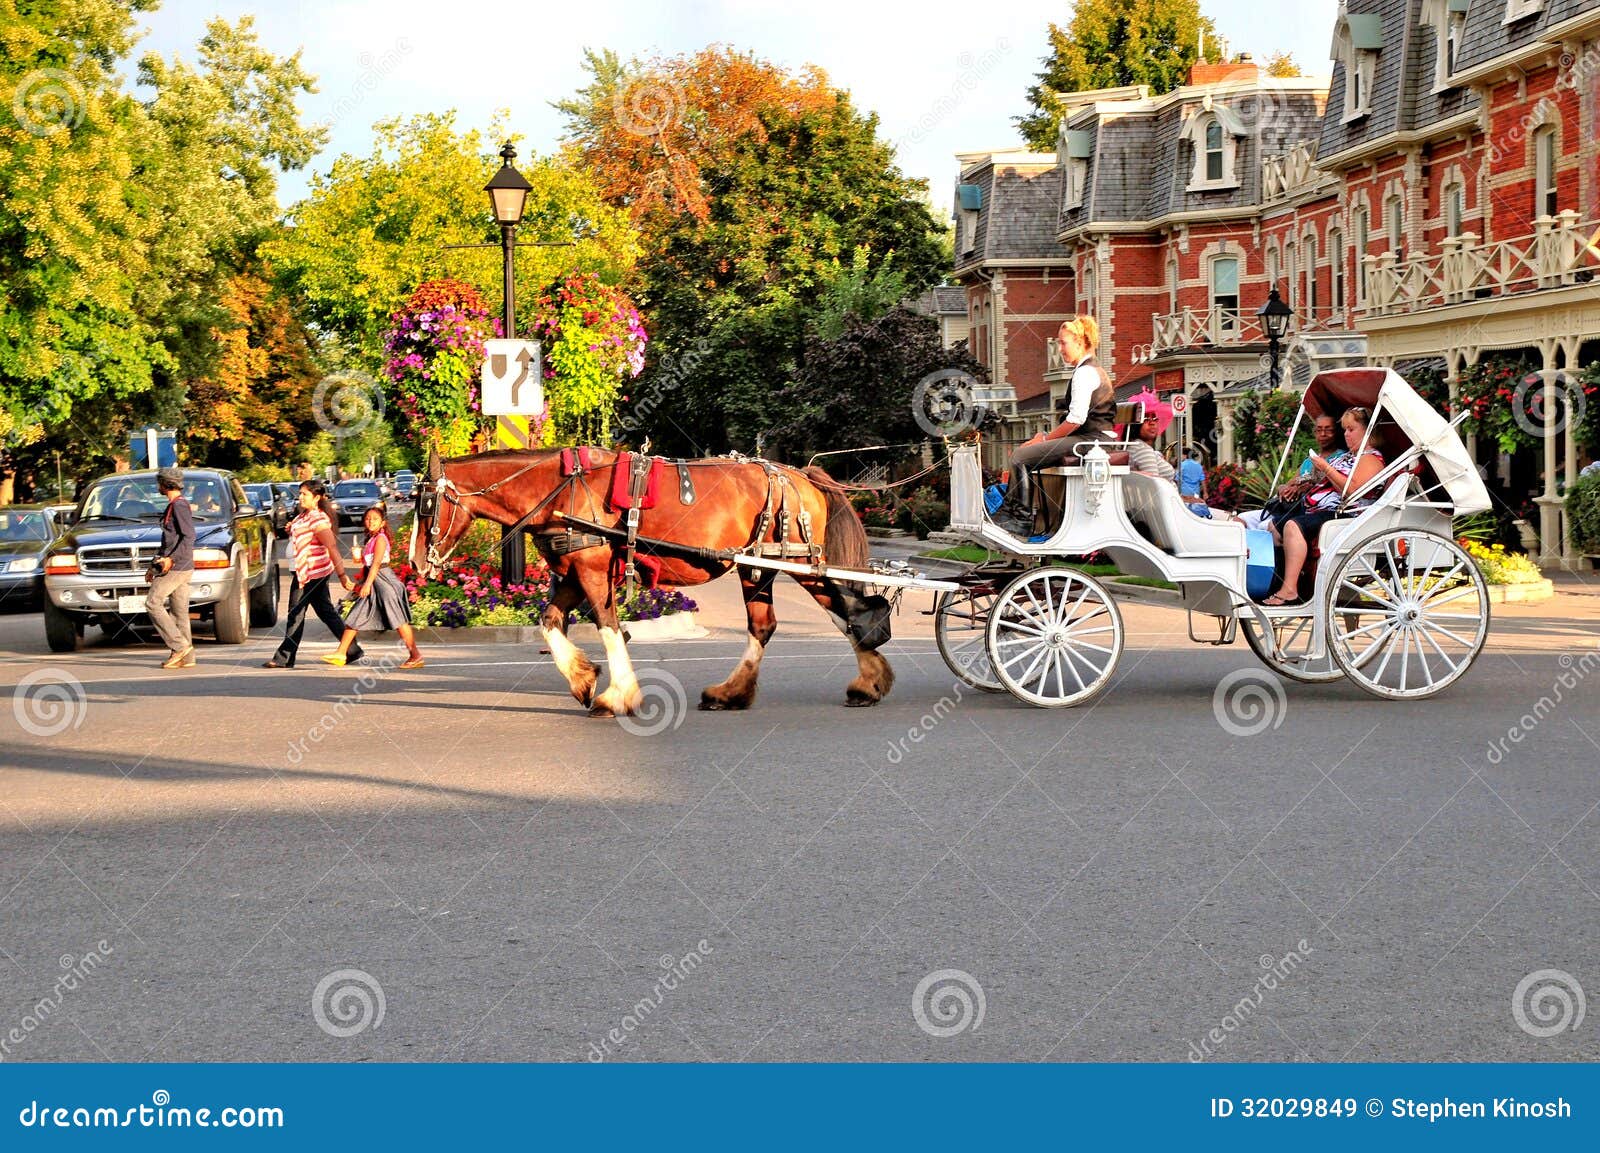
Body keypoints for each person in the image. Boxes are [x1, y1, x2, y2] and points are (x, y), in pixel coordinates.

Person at [990, 315, 1117, 535]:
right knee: (1025, 453)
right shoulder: (1091, 369)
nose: (1060, 349)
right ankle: (1012, 512)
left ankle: (1020, 518)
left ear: (1079, 342)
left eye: (1063, 343)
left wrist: (1045, 439)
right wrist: (1044, 438)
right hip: (1092, 440)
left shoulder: (1085, 373)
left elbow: (1076, 419)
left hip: (1091, 442)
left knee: (1020, 457)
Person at [1261, 406, 1386, 606]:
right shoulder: (1350, 456)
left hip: (1346, 514)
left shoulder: (1370, 458)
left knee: (1292, 526)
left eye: (1351, 429)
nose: (1346, 434)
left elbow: (1352, 491)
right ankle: (1292, 582)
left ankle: (1290, 589)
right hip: (1321, 509)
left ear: (1367, 431)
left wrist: (1325, 467)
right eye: (1344, 430)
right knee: (1274, 527)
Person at [264, 479, 361, 668]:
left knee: (295, 614)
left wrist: (342, 575)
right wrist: (291, 528)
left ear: (316, 498)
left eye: (305, 494)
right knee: (326, 612)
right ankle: (352, 649)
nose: (300, 497)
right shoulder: (304, 516)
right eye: (300, 493)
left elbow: (332, 547)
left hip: (310, 573)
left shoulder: (318, 519)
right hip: (306, 572)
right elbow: (303, 534)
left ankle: (284, 657)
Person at [321, 505, 423, 669]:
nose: (370, 522)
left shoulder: (381, 538)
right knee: (356, 615)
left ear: (383, 523)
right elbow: (368, 565)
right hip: (375, 582)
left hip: (384, 582)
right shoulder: (371, 539)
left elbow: (376, 564)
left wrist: (366, 585)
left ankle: (415, 655)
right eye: (368, 519)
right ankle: (341, 653)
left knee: (398, 620)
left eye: (375, 519)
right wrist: (359, 575)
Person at [144, 468, 196, 669]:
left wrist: (171, 560)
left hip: (177, 567)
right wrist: (153, 566)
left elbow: (189, 537)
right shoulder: (174, 505)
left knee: (152, 603)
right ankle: (187, 658)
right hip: (181, 565)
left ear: (165, 484)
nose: (157, 486)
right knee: (179, 612)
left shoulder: (179, 506)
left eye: (159, 483)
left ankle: (179, 646)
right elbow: (169, 541)